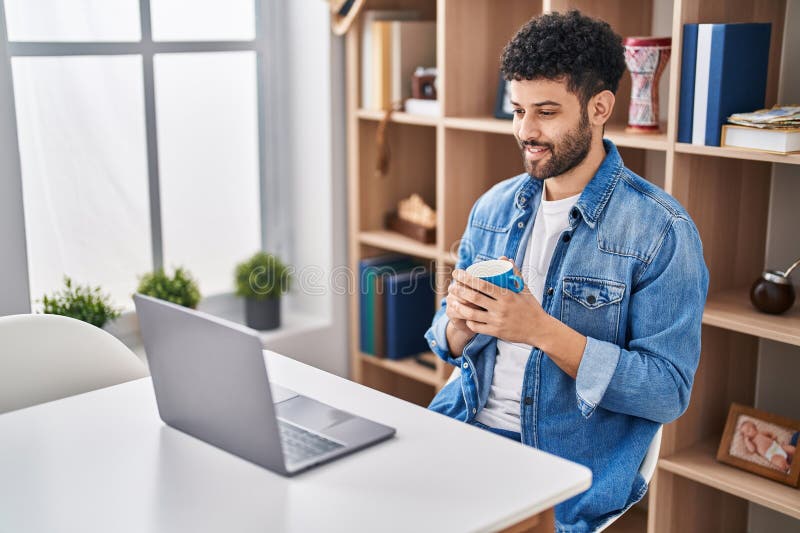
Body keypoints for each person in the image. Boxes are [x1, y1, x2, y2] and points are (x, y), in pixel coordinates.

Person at [424, 10, 709, 532]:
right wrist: (460, 325)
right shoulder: (493, 207)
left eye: (547, 112)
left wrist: (541, 331)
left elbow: (667, 391)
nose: (526, 132)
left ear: (599, 108)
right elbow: (445, 340)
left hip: (559, 469)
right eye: (517, 110)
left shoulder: (661, 233)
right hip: (459, 428)